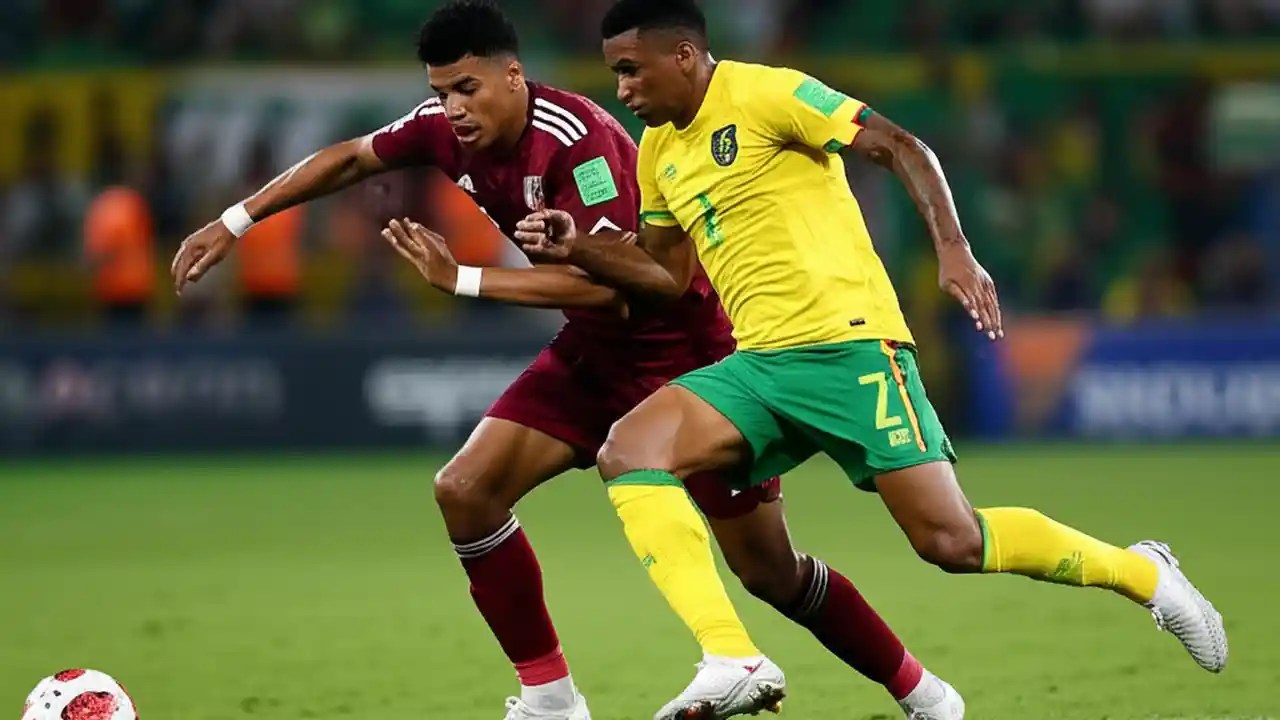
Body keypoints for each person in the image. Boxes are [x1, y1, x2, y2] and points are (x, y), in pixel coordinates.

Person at [169, 2, 961, 719]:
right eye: (442, 92)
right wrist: (234, 221)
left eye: (468, 89)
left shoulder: (583, 148)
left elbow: (627, 294)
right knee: (467, 492)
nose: (453, 110)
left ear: (514, 76)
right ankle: (552, 699)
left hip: (685, 362)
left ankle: (922, 693)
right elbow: (350, 158)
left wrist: (466, 279)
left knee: (771, 574)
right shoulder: (446, 129)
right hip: (590, 359)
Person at [516, 0, 1229, 694]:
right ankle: (732, 657)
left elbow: (901, 146)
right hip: (760, 365)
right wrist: (580, 247)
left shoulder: (768, 92)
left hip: (851, 350)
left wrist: (954, 249)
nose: (623, 90)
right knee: (629, 449)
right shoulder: (662, 153)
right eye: (615, 74)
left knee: (952, 542)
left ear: (683, 54)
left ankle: (1144, 573)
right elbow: (666, 276)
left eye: (633, 70)